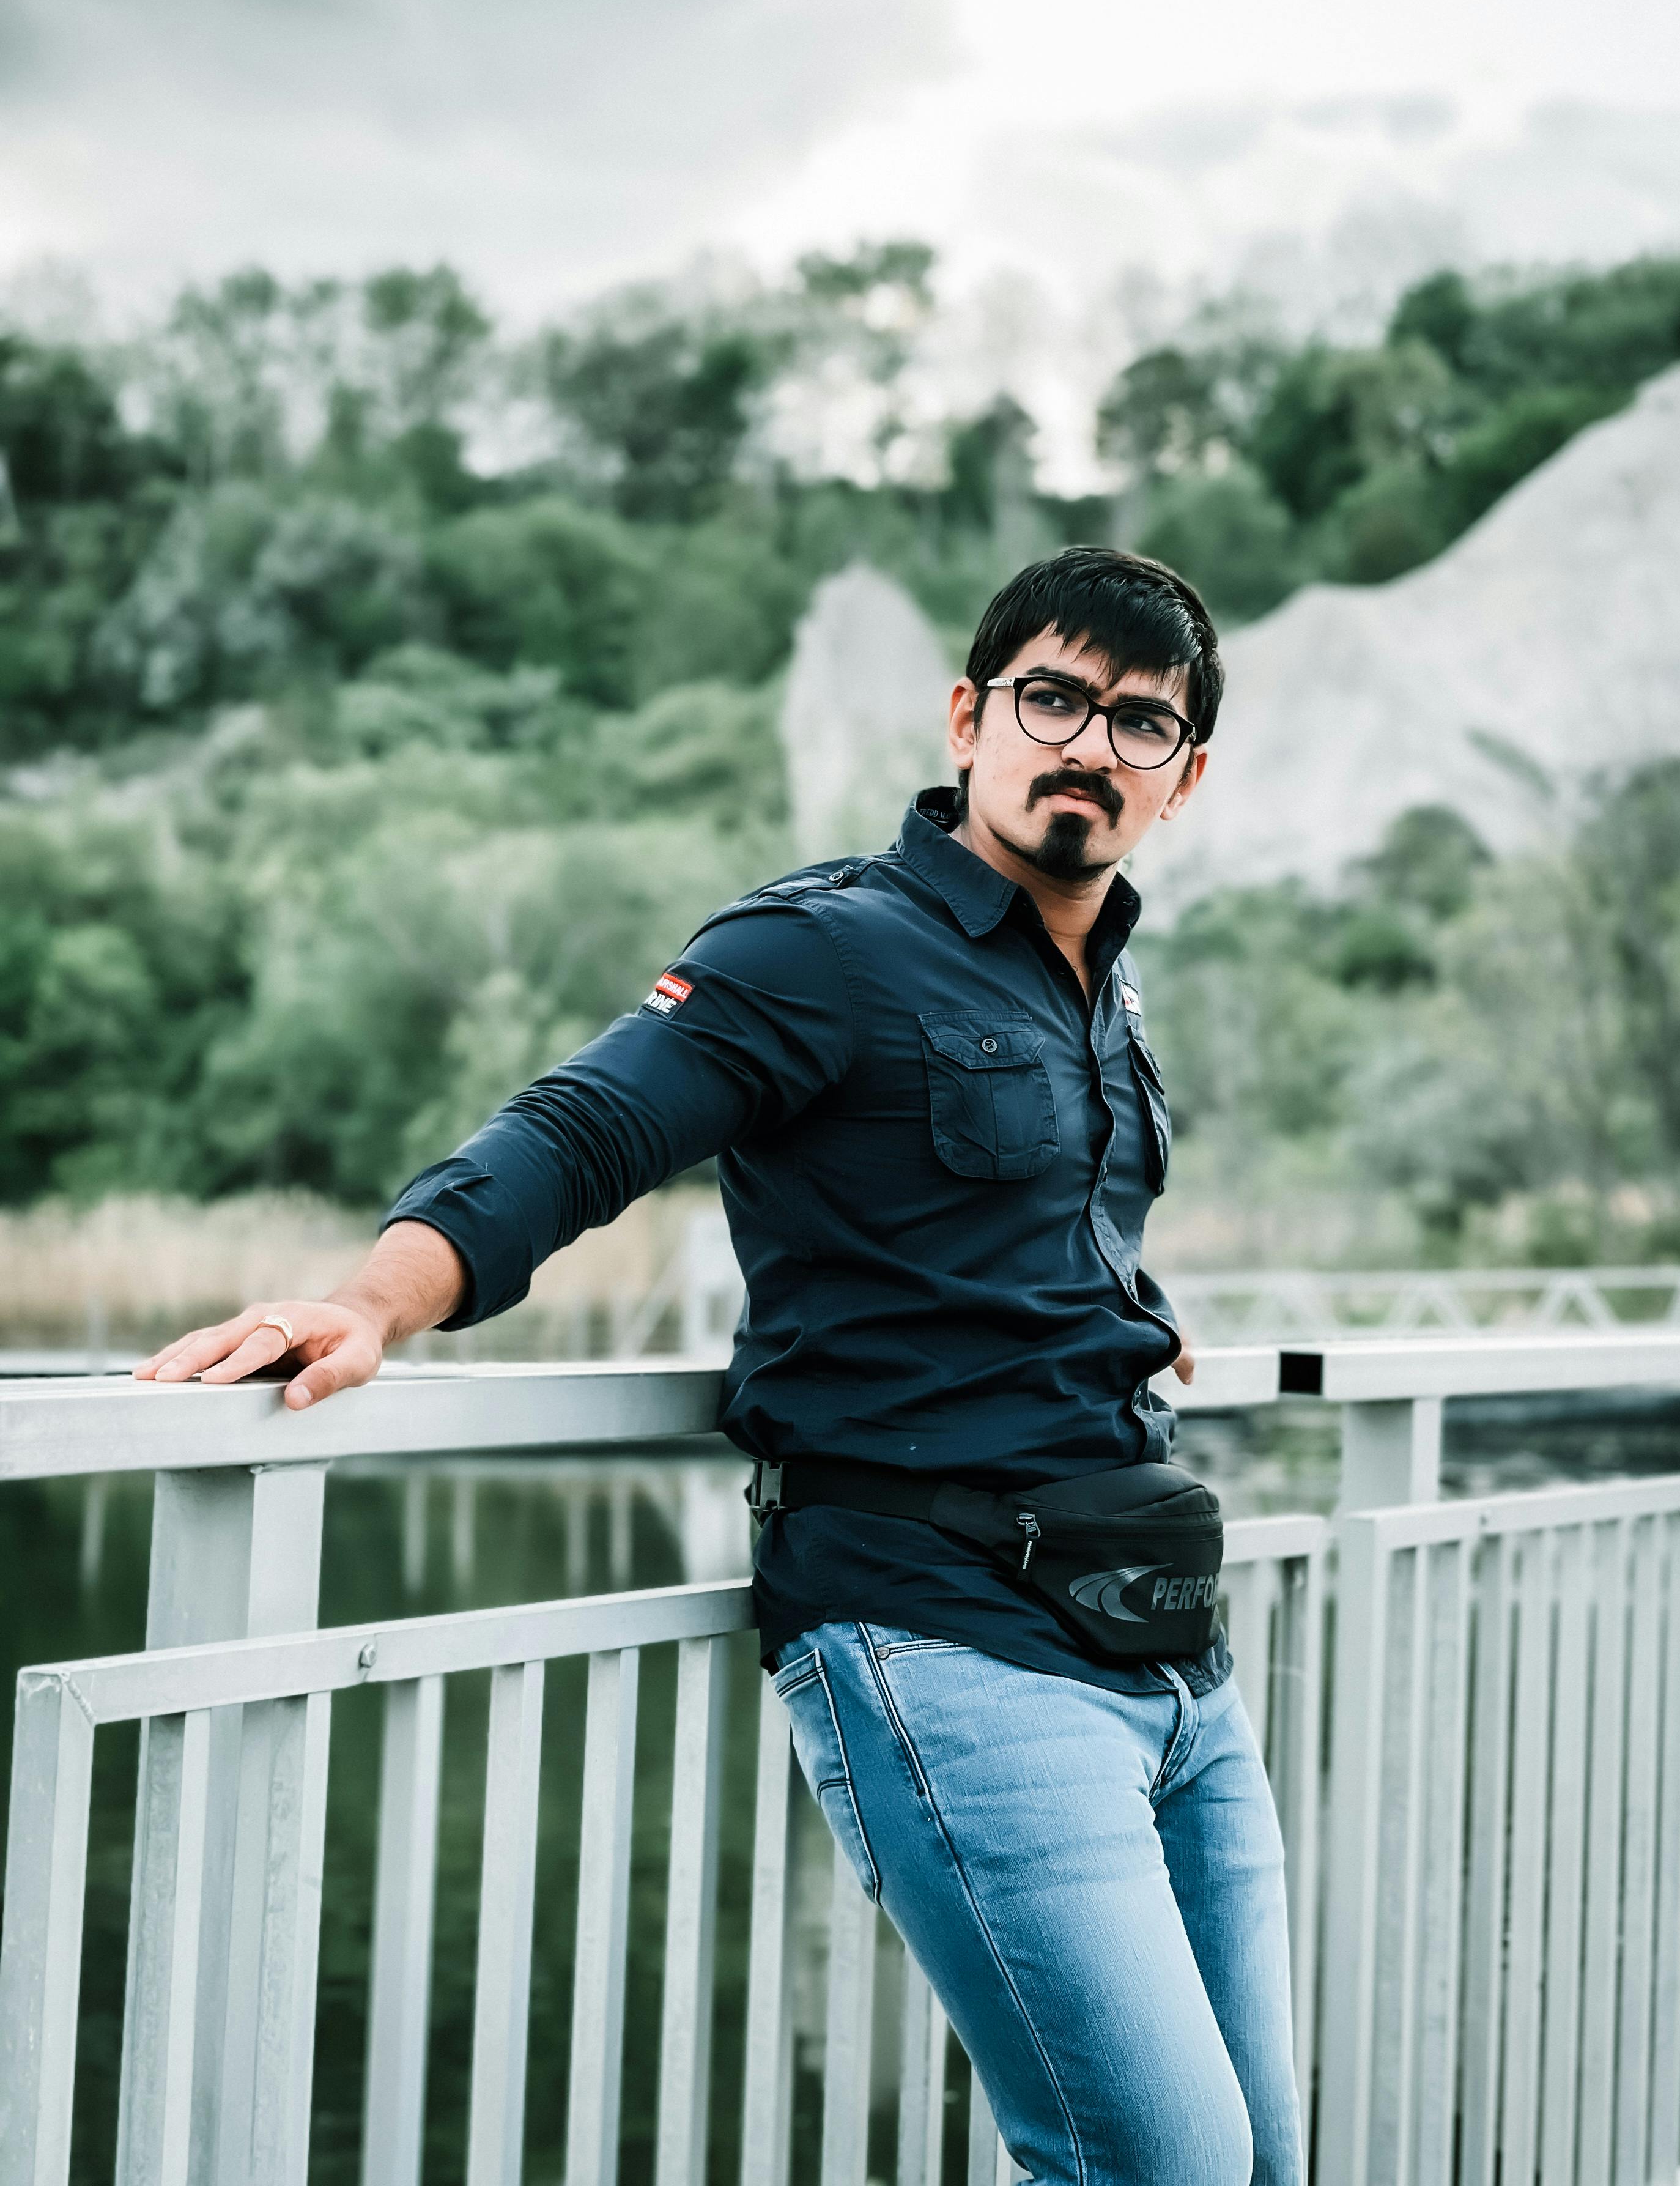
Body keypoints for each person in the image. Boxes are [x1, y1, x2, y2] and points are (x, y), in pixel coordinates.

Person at [139, 547, 1300, 2186]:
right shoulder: (828, 949)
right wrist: (378, 1301)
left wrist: (1121, 1308)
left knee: (1260, 2165)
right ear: (970, 715)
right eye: (1055, 698)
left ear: (1181, 781)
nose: (1090, 746)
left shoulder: (1100, 992)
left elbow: (1016, 1218)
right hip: (951, 1634)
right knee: (1156, 2168)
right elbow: (583, 1127)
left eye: (1141, 724)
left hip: (1170, 1658)